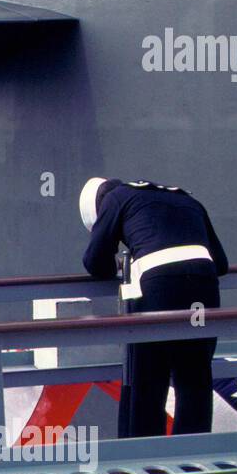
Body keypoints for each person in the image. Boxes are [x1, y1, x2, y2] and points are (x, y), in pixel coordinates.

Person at [79, 177, 228, 438]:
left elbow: (94, 261)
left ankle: (146, 456)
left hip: (161, 288)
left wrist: (118, 264)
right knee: (195, 377)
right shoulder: (185, 196)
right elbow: (221, 264)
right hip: (204, 287)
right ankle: (194, 457)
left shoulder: (115, 198)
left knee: (148, 377)